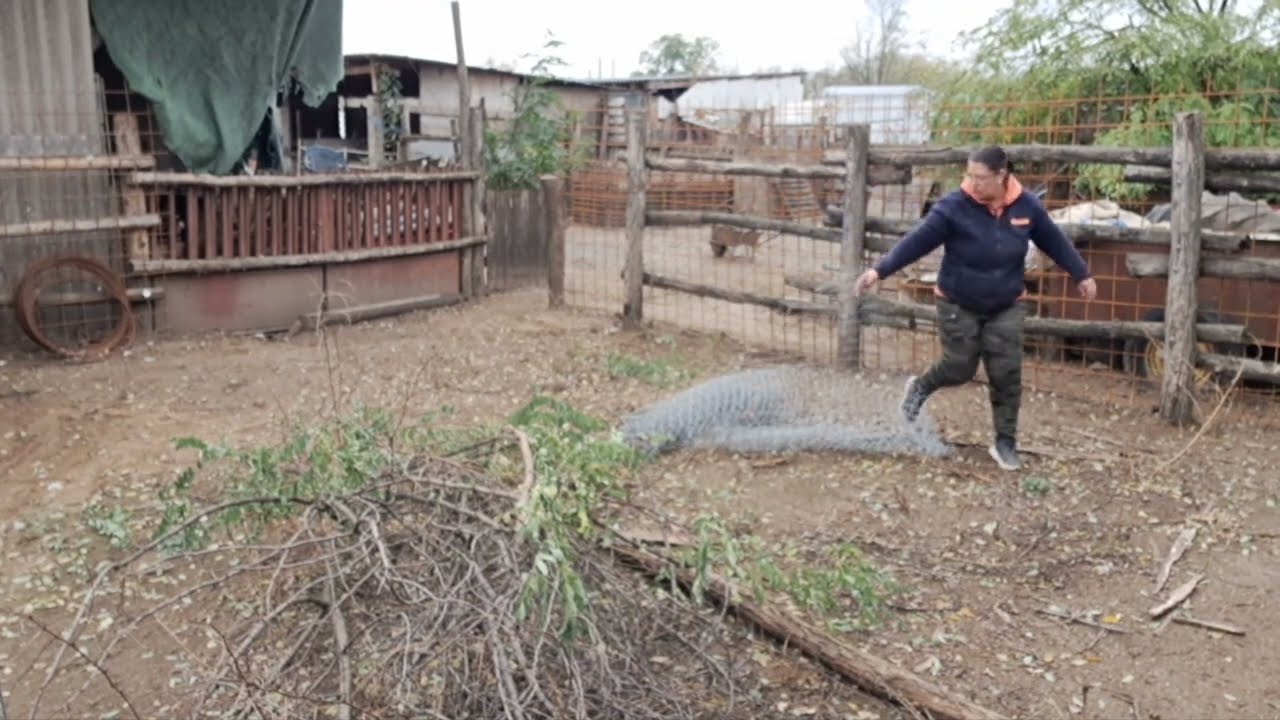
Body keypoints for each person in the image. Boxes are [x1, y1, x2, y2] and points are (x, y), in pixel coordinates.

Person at [853, 146, 1097, 471]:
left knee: (1006, 372)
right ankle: (920, 387)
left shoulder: (1027, 206)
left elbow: (1053, 241)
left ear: (1001, 175)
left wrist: (1081, 273)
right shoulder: (954, 206)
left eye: (980, 177)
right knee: (959, 366)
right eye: (969, 175)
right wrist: (879, 270)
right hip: (957, 300)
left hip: (1006, 303)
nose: (972, 183)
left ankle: (1005, 442)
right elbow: (918, 241)